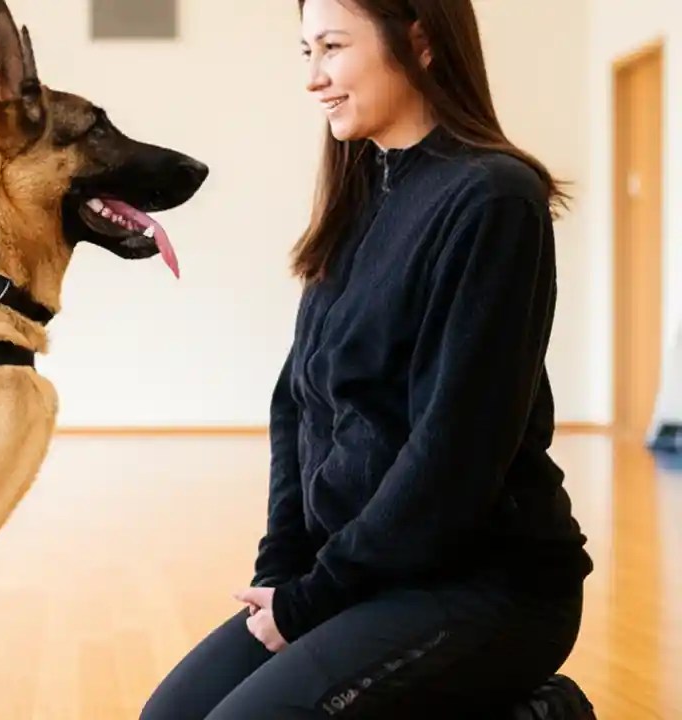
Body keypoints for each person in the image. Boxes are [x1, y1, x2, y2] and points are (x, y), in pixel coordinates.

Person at [139, 1, 595, 718]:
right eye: (304, 52)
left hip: (485, 584)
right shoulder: (361, 196)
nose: (314, 78)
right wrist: (284, 571)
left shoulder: (493, 200)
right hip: (360, 570)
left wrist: (312, 601)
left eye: (332, 46)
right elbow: (296, 400)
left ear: (418, 41)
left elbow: (454, 454)